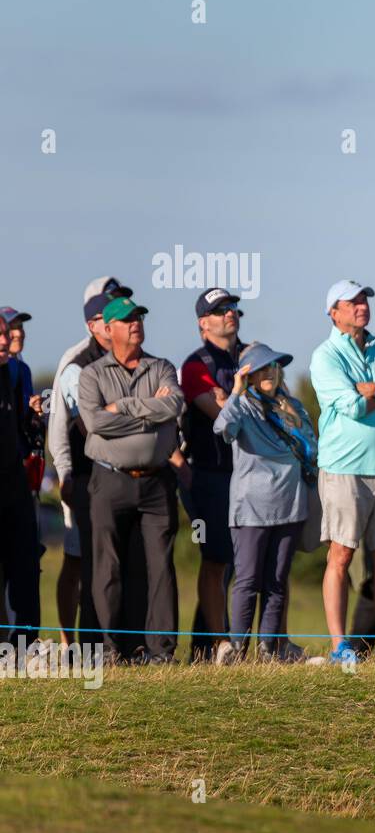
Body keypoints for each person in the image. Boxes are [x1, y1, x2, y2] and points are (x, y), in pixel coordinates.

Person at [310, 280, 375, 666]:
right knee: (341, 554)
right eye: (352, 302)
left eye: (364, 300)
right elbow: (352, 408)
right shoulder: (325, 356)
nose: (362, 307)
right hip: (344, 469)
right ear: (333, 312)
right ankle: (340, 646)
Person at [79, 297, 185, 664]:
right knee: (107, 567)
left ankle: (161, 652)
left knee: (161, 566)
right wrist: (148, 415)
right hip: (110, 480)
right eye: (126, 319)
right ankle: (110, 650)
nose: (135, 323)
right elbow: (94, 423)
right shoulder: (92, 374)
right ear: (108, 329)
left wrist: (122, 407)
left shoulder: (161, 367)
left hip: (156, 482)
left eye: (138, 316)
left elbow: (173, 406)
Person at [214, 342, 316, 661]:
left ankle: (269, 650)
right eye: (260, 368)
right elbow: (222, 429)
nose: (269, 372)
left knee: (276, 582)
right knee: (247, 581)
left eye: (273, 366)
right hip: (251, 509)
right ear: (248, 375)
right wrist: (235, 392)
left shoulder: (293, 407)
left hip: (291, 504)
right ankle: (238, 650)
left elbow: (313, 448)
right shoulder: (241, 407)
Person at [48, 277, 136, 647]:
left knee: (114, 561)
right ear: (92, 321)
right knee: (78, 559)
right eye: (107, 311)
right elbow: (59, 423)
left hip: (122, 476)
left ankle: (117, 640)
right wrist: (65, 472)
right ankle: (73, 643)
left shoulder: (130, 353)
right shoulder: (75, 361)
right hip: (84, 475)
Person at [180, 288, 245, 664]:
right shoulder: (195, 365)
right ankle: (216, 643)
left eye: (233, 307)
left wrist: (230, 397)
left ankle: (210, 647)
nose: (230, 314)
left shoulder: (250, 355)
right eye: (220, 310)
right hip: (207, 478)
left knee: (243, 565)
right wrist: (235, 397)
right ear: (204, 323)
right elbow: (221, 416)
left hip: (249, 475)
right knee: (214, 558)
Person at [0, 312, 41, 648]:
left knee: (25, 561)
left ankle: (24, 645)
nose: (8, 339)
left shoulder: (15, 371)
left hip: (15, 481)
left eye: (8, 332)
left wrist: (33, 417)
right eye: (1, 333)